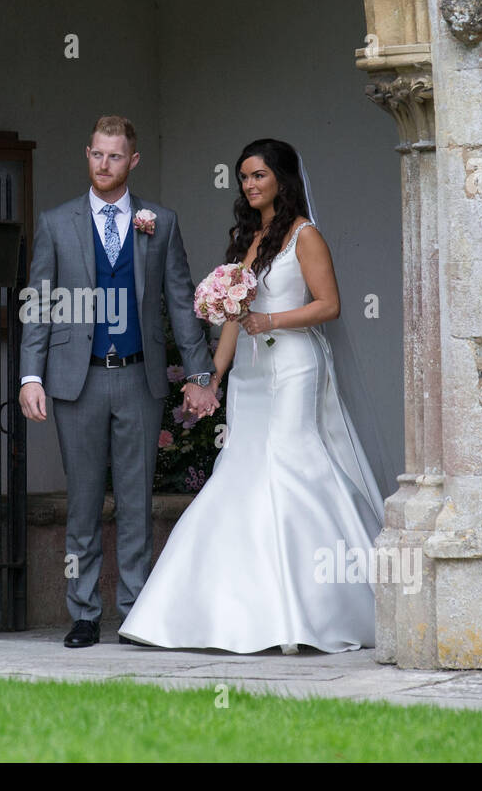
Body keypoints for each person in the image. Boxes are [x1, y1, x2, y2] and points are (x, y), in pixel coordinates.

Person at [119, 138, 386, 654]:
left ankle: (315, 611)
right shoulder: (251, 238)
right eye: (244, 177)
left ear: (281, 179)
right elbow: (232, 324)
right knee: (239, 471)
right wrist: (212, 378)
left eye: (259, 175)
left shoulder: (305, 236)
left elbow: (328, 305)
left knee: (291, 465)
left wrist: (271, 320)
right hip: (250, 373)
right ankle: (216, 612)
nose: (250, 184)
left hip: (292, 366)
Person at [19, 116, 218, 648]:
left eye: (115, 157)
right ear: (87, 154)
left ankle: (135, 611)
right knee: (83, 501)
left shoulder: (161, 222)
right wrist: (30, 375)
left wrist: (201, 373)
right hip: (76, 381)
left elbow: (180, 302)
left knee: (136, 501)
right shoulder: (57, 222)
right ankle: (83, 613)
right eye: (97, 155)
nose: (104, 165)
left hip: (138, 378)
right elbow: (39, 303)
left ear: (133, 161)